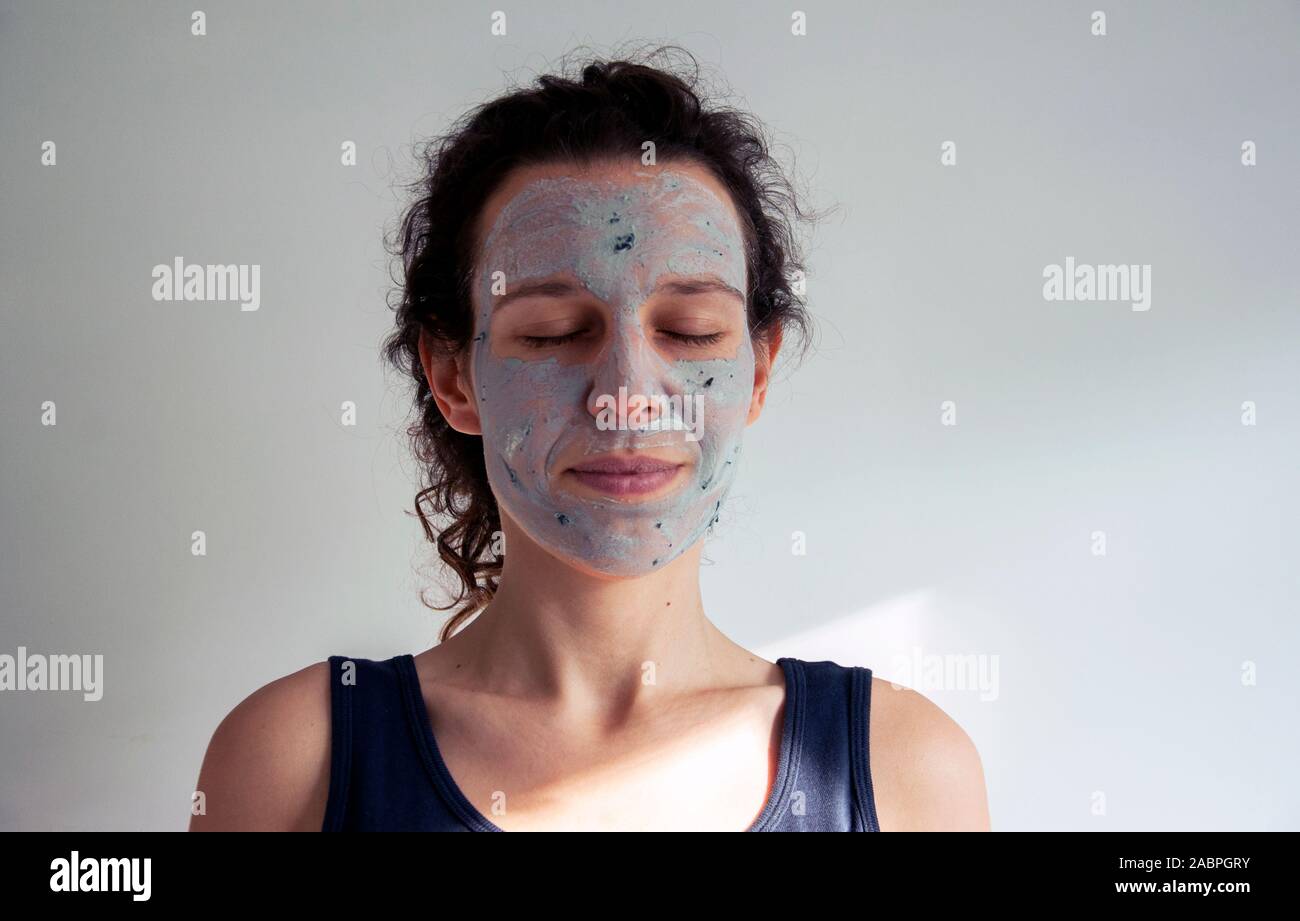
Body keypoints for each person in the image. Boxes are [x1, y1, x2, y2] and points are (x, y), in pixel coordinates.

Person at [189, 47, 990, 832]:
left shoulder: (903, 770)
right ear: (451, 375)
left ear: (757, 370)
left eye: (688, 329)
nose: (627, 397)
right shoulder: (294, 761)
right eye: (553, 332)